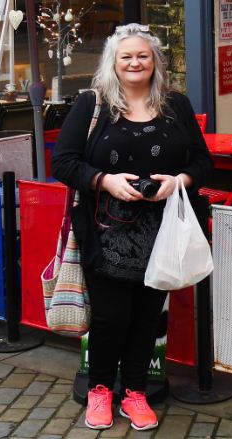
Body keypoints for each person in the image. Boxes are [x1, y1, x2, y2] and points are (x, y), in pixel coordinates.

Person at [51, 23, 212, 432]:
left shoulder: (176, 104)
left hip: (161, 231)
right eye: (127, 56)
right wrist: (106, 180)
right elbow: (63, 162)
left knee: (146, 317)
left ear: (155, 61)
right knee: (110, 317)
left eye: (143, 55)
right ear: (113, 62)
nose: (135, 62)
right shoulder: (92, 104)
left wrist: (179, 182)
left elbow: (202, 163)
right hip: (105, 231)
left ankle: (136, 392)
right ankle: (102, 389)